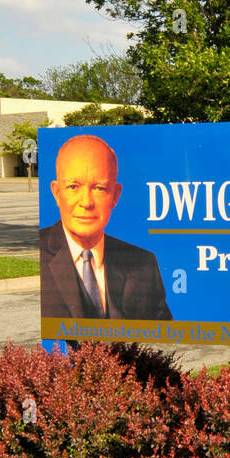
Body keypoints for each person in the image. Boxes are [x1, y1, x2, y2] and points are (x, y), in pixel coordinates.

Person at [40, 133, 172, 320]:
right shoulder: (39, 253)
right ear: (56, 192)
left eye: (99, 188)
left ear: (115, 196)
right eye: (73, 187)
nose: (86, 202)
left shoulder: (143, 263)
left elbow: (162, 333)